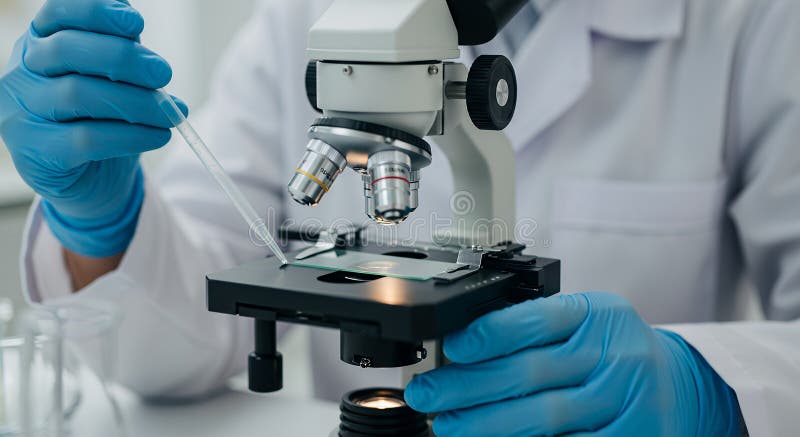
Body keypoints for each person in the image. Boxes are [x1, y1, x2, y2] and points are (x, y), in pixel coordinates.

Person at [1, 0, 798, 435]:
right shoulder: (299, 18)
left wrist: (717, 390)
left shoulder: (749, 20)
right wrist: (102, 221)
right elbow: (181, 335)